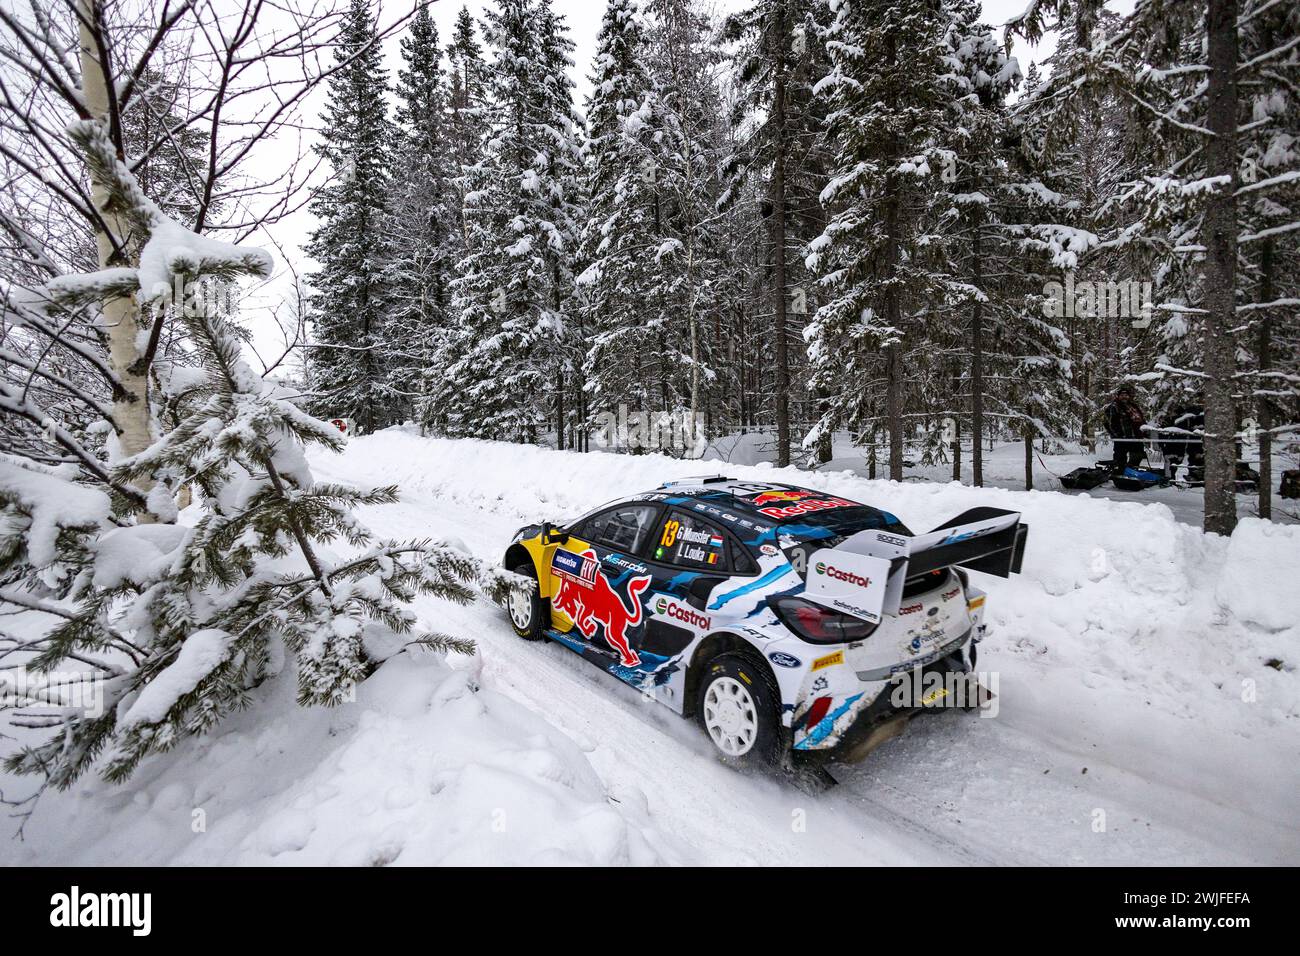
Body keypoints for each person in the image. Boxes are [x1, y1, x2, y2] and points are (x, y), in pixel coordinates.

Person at [1103, 385, 1147, 472]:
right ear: (1118, 396)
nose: (1124, 397)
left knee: (1138, 455)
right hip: (1122, 438)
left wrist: (1144, 432)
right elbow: (1109, 423)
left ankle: (1131, 472)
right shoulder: (1114, 406)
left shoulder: (1134, 407)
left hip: (1136, 437)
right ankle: (1119, 475)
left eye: (1126, 395)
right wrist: (1117, 435)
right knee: (1120, 459)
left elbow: (1141, 420)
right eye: (1122, 395)